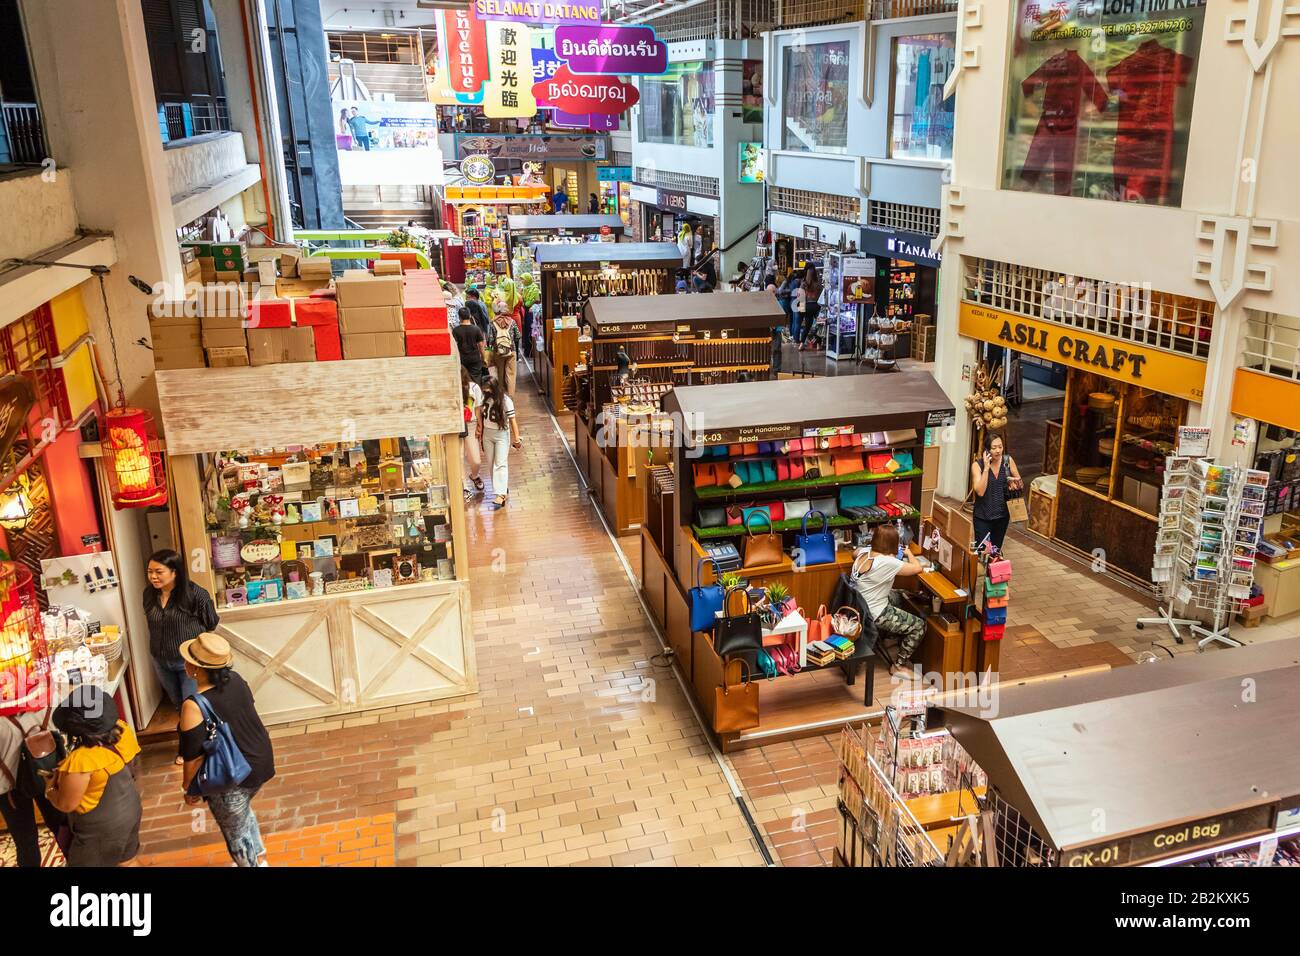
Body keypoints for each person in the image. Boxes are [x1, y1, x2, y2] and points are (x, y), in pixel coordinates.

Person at [177, 633, 276, 868]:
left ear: (195, 669)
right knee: (242, 812)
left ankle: (250, 863)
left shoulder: (193, 705)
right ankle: (258, 855)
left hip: (232, 772)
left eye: (187, 660)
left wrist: (189, 787)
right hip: (260, 760)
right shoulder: (236, 679)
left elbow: (193, 756)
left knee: (235, 830)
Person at [45, 687, 142, 867]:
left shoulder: (82, 760)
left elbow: (67, 804)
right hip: (130, 808)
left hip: (101, 829)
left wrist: (50, 789)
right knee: (128, 862)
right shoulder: (124, 730)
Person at [144, 549, 219, 765]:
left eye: (159, 572)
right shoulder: (149, 595)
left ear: (174, 572)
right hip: (160, 659)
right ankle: (194, 744)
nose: (153, 577)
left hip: (189, 660)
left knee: (191, 706)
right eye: (150, 572)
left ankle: (190, 751)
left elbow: (211, 622)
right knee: (178, 705)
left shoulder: (196, 594)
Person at [850, 523, 927, 672]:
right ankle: (898, 666)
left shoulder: (864, 553)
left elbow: (855, 552)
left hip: (861, 607)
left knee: (899, 595)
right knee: (920, 626)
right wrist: (908, 553)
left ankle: (890, 635)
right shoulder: (888, 562)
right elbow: (917, 568)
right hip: (875, 612)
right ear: (893, 544)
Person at [0, 704, 68, 867]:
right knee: (63, 828)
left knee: (25, 842)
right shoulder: (47, 702)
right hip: (46, 775)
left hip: (9, 788)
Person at [971, 433, 1023, 552]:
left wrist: (1015, 484)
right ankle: (982, 570)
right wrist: (986, 468)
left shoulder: (1008, 461)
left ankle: (994, 570)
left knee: (995, 550)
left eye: (1000, 447)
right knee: (983, 551)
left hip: (1002, 516)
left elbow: (1020, 484)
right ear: (987, 450)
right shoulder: (977, 466)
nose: (998, 451)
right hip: (982, 516)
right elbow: (980, 492)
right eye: (994, 448)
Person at [478, 374, 521, 509]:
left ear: (494, 388)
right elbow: (480, 415)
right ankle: (501, 488)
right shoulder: (482, 398)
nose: (486, 392)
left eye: (488, 389)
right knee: (491, 465)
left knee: (500, 463)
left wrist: (517, 438)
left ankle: (500, 495)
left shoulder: (505, 401)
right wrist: (480, 432)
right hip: (487, 435)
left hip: (502, 434)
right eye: (484, 389)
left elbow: (512, 420)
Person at [461, 367, 485, 500]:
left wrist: (479, 426)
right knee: (458, 457)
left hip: (470, 425)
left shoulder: (474, 387)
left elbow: (477, 409)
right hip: (455, 427)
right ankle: (464, 486)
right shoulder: (450, 388)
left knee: (475, 460)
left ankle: (474, 475)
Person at [488, 301, 521, 396]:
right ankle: (510, 397)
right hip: (511, 351)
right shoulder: (512, 321)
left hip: (498, 352)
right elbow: (518, 336)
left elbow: (490, 340)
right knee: (511, 375)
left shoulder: (492, 322)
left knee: (500, 375)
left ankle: (501, 396)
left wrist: (489, 353)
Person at [453, 307, 489, 384]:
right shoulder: (476, 329)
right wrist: (483, 358)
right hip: (474, 359)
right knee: (476, 381)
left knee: (464, 380)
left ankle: (466, 395)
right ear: (470, 316)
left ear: (459, 317)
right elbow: (481, 346)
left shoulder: (456, 330)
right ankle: (476, 394)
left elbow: (455, 347)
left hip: (462, 360)